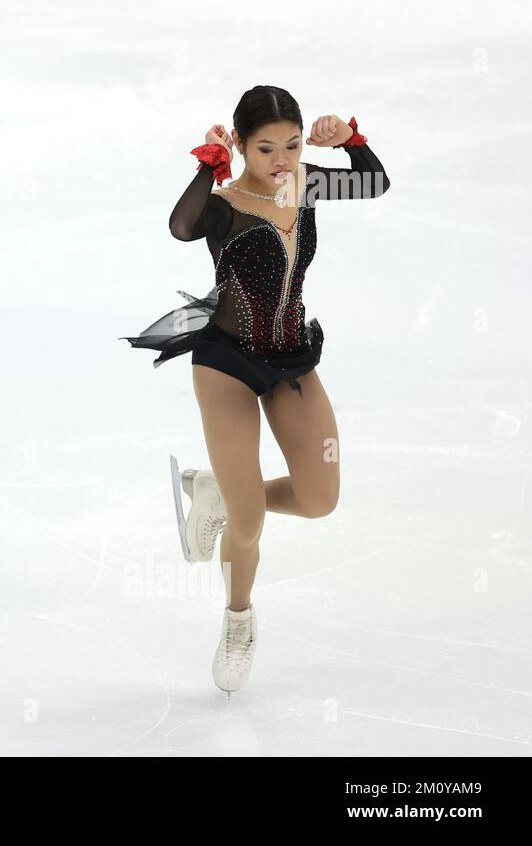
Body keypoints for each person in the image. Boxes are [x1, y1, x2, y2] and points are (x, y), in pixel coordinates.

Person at [120, 85, 390, 696]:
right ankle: (238, 617)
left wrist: (352, 143)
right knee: (248, 526)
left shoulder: (308, 184)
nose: (283, 160)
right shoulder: (226, 203)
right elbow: (181, 226)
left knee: (320, 498)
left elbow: (373, 184)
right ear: (241, 146)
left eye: (292, 145)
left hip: (291, 356)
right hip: (226, 364)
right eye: (266, 148)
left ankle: (220, 493)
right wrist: (204, 168)